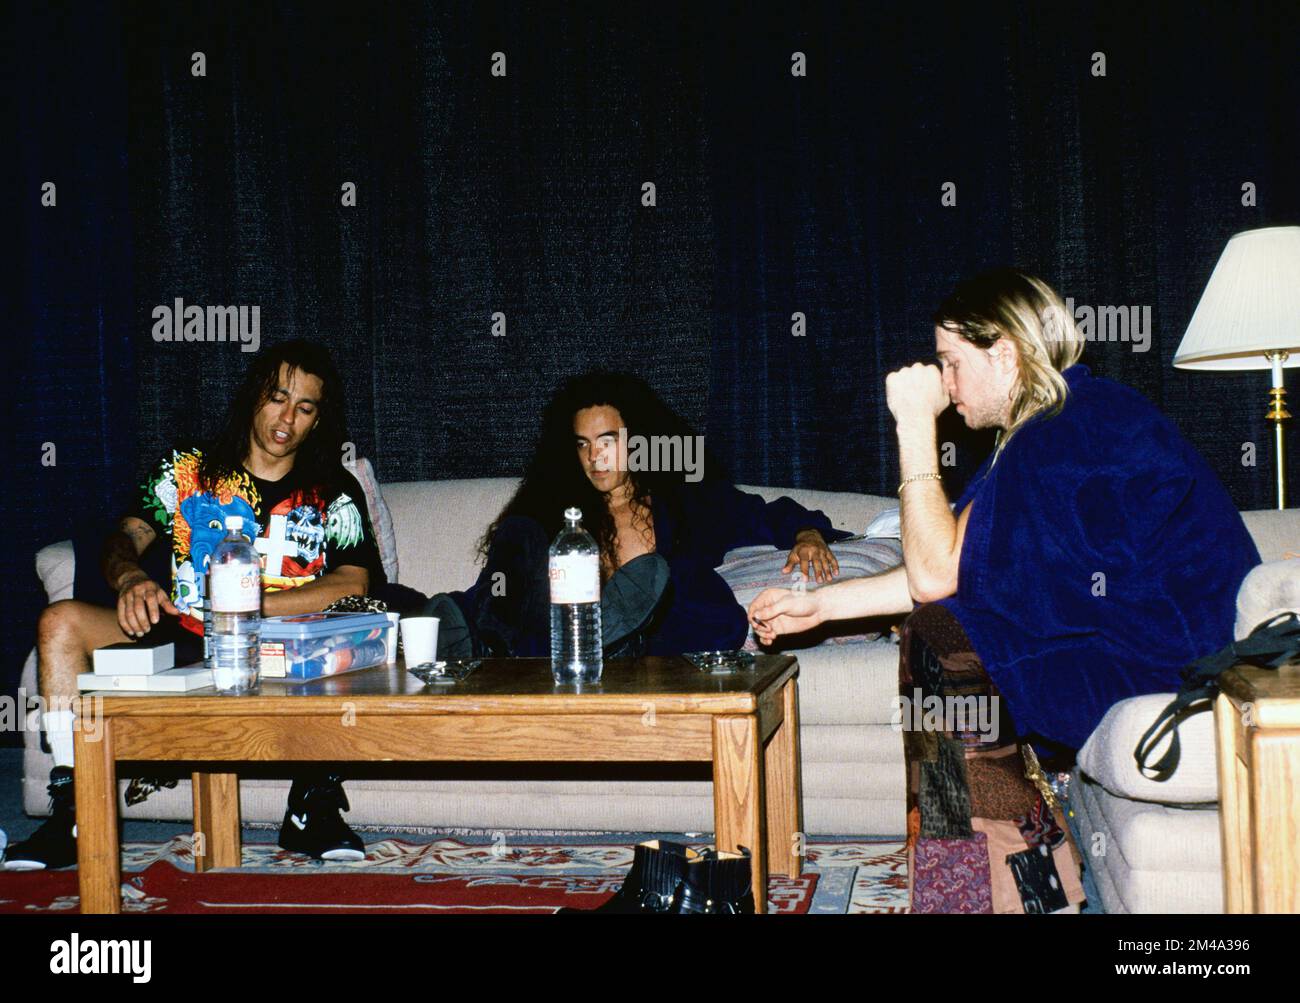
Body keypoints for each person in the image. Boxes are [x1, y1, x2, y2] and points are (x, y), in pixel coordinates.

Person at [748, 268, 1259, 912]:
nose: (945, 386)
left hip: (1174, 668)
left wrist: (913, 426)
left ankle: (975, 893)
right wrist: (818, 604)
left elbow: (936, 577)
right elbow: (951, 564)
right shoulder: (1041, 432)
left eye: (952, 363)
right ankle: (1019, 871)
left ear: (1006, 353)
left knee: (942, 636)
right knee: (948, 626)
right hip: (1141, 652)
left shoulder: (1069, 428)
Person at [5, 340, 386, 870]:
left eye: (306, 407)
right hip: (184, 632)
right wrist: (131, 578)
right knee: (60, 621)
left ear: (319, 420)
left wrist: (254, 609)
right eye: (278, 398)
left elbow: (354, 578)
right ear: (254, 395)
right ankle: (75, 810)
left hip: (284, 644)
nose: (287, 418)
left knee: (356, 631)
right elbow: (122, 538)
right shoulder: (187, 470)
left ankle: (311, 808)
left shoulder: (332, 489)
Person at [428, 370, 850, 660]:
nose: (594, 456)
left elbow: (764, 513)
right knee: (520, 539)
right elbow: (506, 587)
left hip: (666, 638)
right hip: (566, 641)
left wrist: (807, 534)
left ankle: (621, 643)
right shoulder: (554, 515)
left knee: (682, 580)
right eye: (582, 444)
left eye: (607, 440)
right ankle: (481, 645)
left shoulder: (685, 500)